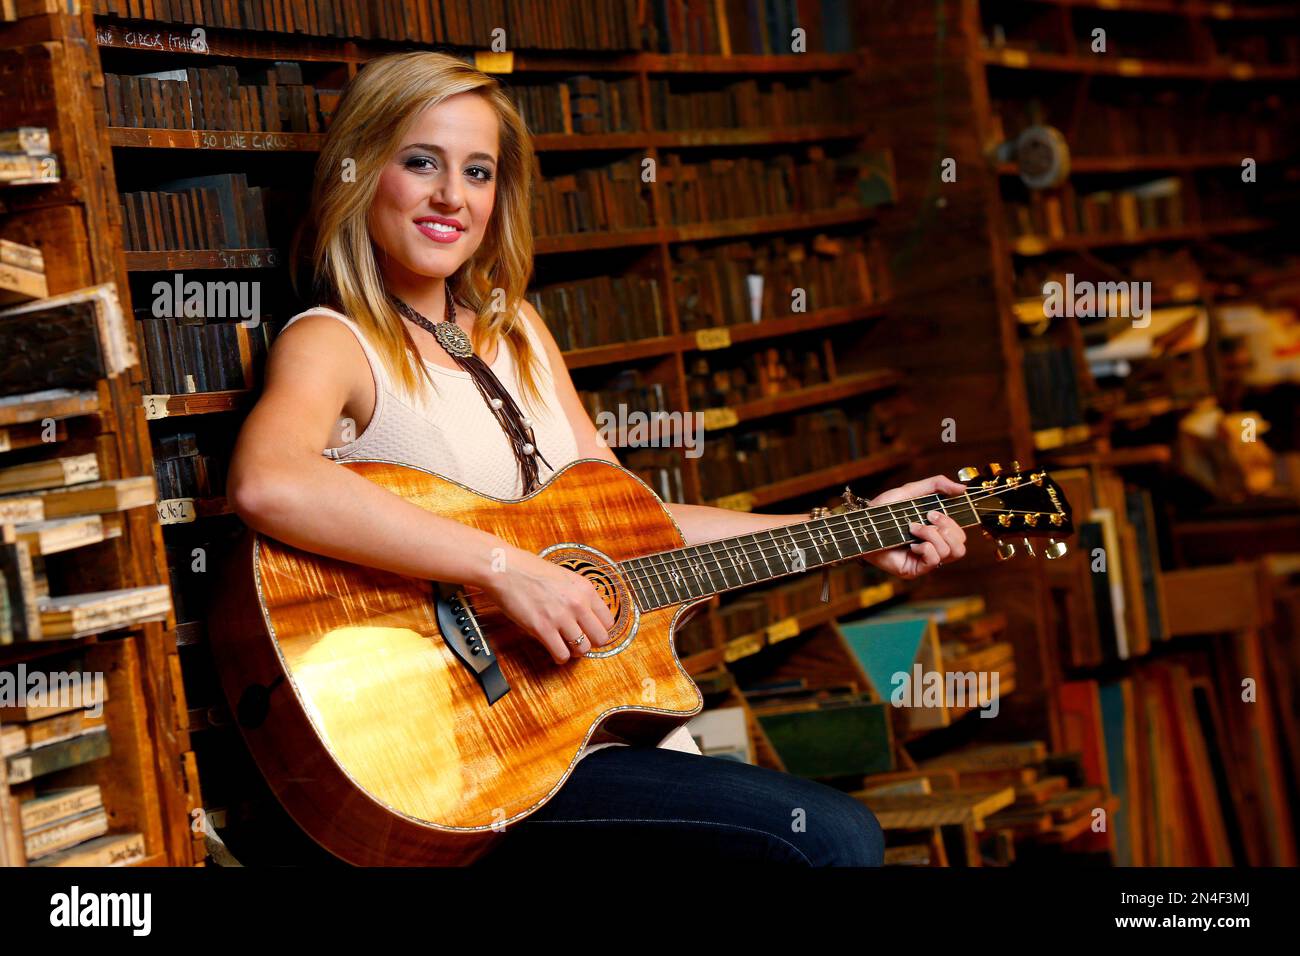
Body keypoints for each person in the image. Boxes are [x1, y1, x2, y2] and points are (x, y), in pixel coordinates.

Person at [227, 51, 968, 867]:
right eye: (420, 162)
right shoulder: (333, 341)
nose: (451, 196)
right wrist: (505, 569)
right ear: (361, 171)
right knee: (833, 839)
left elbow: (635, 526)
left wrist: (853, 527)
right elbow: (269, 482)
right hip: (465, 749)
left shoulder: (520, 332)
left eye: (478, 172)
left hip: (578, 736)